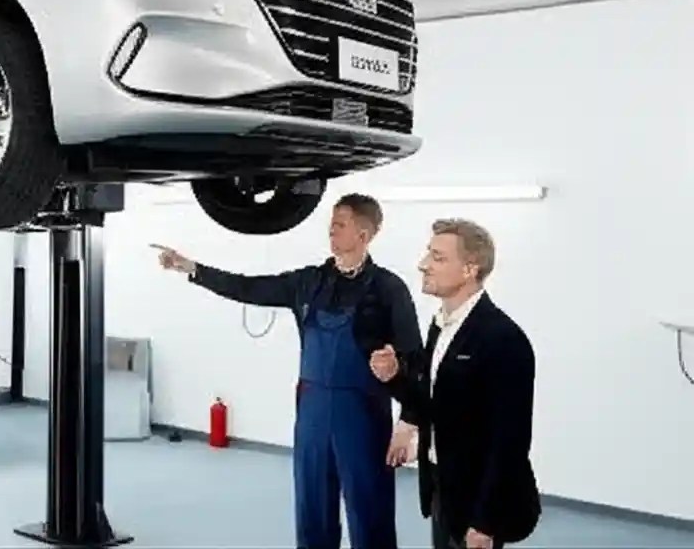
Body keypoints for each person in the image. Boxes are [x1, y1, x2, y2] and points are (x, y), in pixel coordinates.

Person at [153, 193, 423, 549]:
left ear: (364, 233)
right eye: (332, 222)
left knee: (369, 509)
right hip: (311, 412)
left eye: (340, 224)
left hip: (363, 415)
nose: (331, 229)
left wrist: (409, 421)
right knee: (312, 508)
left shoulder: (389, 289)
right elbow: (249, 287)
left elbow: (414, 359)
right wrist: (193, 269)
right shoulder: (309, 282)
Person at [369, 218, 540, 549]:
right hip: (443, 488)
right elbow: (431, 404)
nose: (423, 265)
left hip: (477, 502)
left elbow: (510, 442)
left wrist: (485, 523)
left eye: (438, 257)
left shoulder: (503, 339)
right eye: (427, 254)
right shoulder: (441, 328)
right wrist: (394, 379)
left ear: (469, 270)